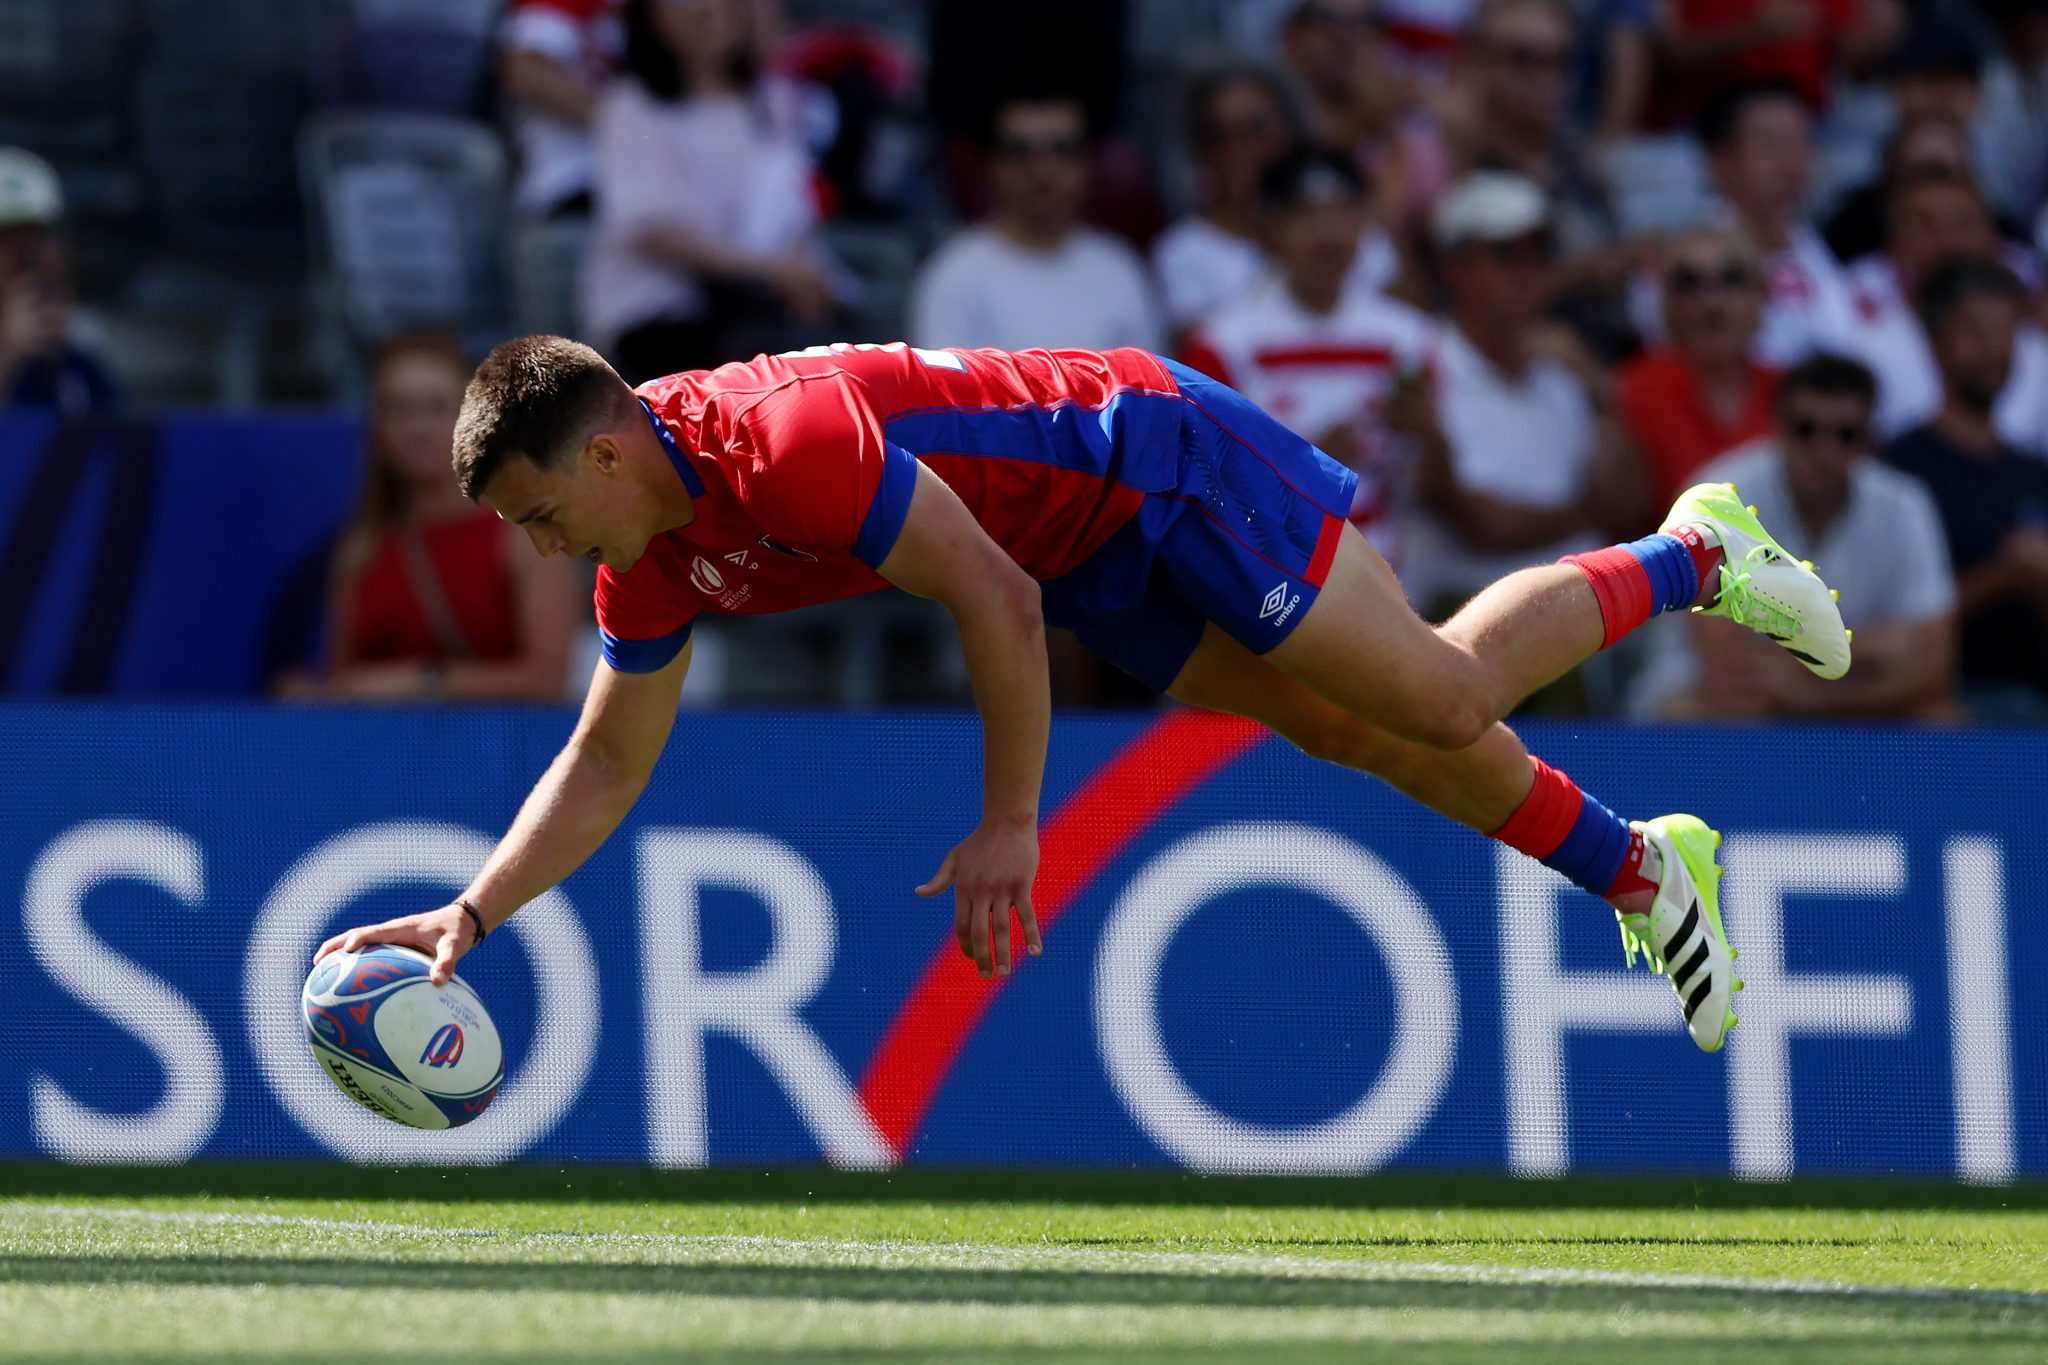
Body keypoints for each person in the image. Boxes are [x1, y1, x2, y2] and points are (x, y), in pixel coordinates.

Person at [314, 332, 1858, 1057]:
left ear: (601, 452)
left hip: (1151, 458)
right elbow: (605, 758)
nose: (537, 546)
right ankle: (1644, 863)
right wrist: (475, 913)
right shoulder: (641, 561)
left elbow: (988, 592)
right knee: (1334, 728)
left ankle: (1694, 551)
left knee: (1442, 694)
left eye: (534, 512)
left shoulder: (785, 444)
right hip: (1085, 543)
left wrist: (1008, 824)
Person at [1632, 353, 1955, 718]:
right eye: (1806, 429)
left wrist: (1814, 693)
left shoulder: (1905, 505)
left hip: (1842, 690)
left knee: (1940, 719)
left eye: (1846, 434)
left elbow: (1933, 668)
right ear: (1777, 428)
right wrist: (1873, 646)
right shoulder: (1718, 494)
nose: (1824, 450)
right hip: (1710, 686)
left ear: (1871, 438)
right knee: (1722, 710)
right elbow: (1727, 665)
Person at [277, 332, 583, 703]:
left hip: (503, 753)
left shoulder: (525, 534)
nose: (416, 428)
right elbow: (348, 681)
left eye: (437, 408)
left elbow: (549, 680)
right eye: (398, 409)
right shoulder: (362, 546)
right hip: (385, 754)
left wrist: (422, 682)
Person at [1180, 149, 1438, 566]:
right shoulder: (1222, 346)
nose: (1329, 235)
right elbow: (1203, 487)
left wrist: (1432, 435)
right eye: (1308, 216)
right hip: (1273, 577)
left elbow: (1435, 489)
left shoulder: (1409, 339)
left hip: (1391, 575)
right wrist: (1313, 463)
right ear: (1271, 226)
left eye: (1343, 214)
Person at [580, 0, 839, 381]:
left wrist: (801, 276)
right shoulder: (631, 106)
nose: (707, 12)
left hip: (763, 305)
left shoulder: (774, 100)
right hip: (663, 317)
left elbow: (792, 210)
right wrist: (772, 270)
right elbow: (653, 232)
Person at [1401, 172, 1606, 616]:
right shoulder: (1421, 364)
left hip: (1576, 619)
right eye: (1508, 254)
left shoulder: (1566, 371)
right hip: (1465, 621)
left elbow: (1629, 498)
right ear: (1454, 267)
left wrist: (1597, 389)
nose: (1527, 271)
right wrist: (1592, 515)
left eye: (1539, 254)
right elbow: (1484, 525)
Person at [1884, 258, 2048, 716]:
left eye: (2007, 333)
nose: (1995, 350)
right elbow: (1885, 618)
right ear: (1935, 343)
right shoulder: (1899, 467)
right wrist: (2004, 574)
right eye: (1976, 333)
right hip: (1941, 700)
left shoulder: (2033, 471)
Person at [1151, 62, 1398, 339]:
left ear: (1290, 131)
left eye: (1256, 127)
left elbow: (1404, 342)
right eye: (1219, 134)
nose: (1240, 147)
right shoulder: (1183, 253)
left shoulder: (1351, 235)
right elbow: (1200, 371)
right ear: (1201, 149)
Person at [910, 90, 1163, 355]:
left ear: (1090, 163)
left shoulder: (1120, 269)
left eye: (1063, 150)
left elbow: (1148, 388)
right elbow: (945, 391)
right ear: (990, 165)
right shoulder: (954, 275)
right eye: (1020, 151)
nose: (1042, 170)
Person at [1845, 170, 2048, 450]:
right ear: (1895, 243)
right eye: (1926, 225)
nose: (1947, 240)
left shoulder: (2036, 353)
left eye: (1962, 223)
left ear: (1992, 239)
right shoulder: (1863, 351)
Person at [1664, 82, 1861, 369]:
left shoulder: (1816, 246)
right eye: (1771, 144)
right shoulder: (1683, 258)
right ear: (1720, 162)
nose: (1792, 163)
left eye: (1801, 141)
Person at [1615, 226, 1778, 512]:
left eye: (1732, 279)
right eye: (1688, 283)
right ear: (1666, 302)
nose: (1711, 303)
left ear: (1761, 295)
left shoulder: (1792, 396)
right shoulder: (1629, 395)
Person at [0, 147, 118, 414]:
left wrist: (58, 356)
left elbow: (124, 444)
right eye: (7, 241)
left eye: (37, 239)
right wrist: (7, 356)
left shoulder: (79, 355)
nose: (25, 259)